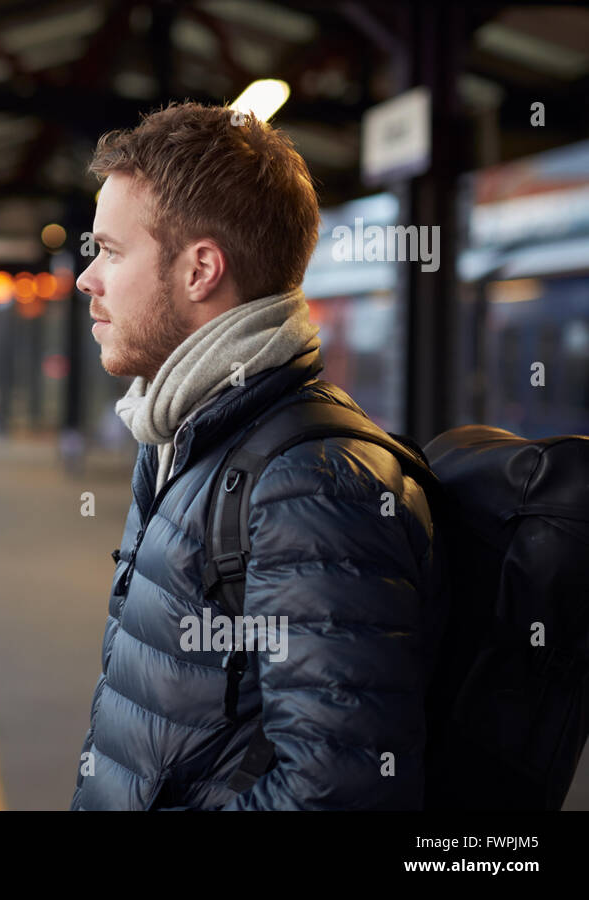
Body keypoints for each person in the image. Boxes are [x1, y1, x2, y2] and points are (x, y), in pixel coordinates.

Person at [69, 102, 445, 810]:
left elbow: (341, 794)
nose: (87, 279)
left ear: (201, 269)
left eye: (112, 252)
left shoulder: (312, 484)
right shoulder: (184, 438)